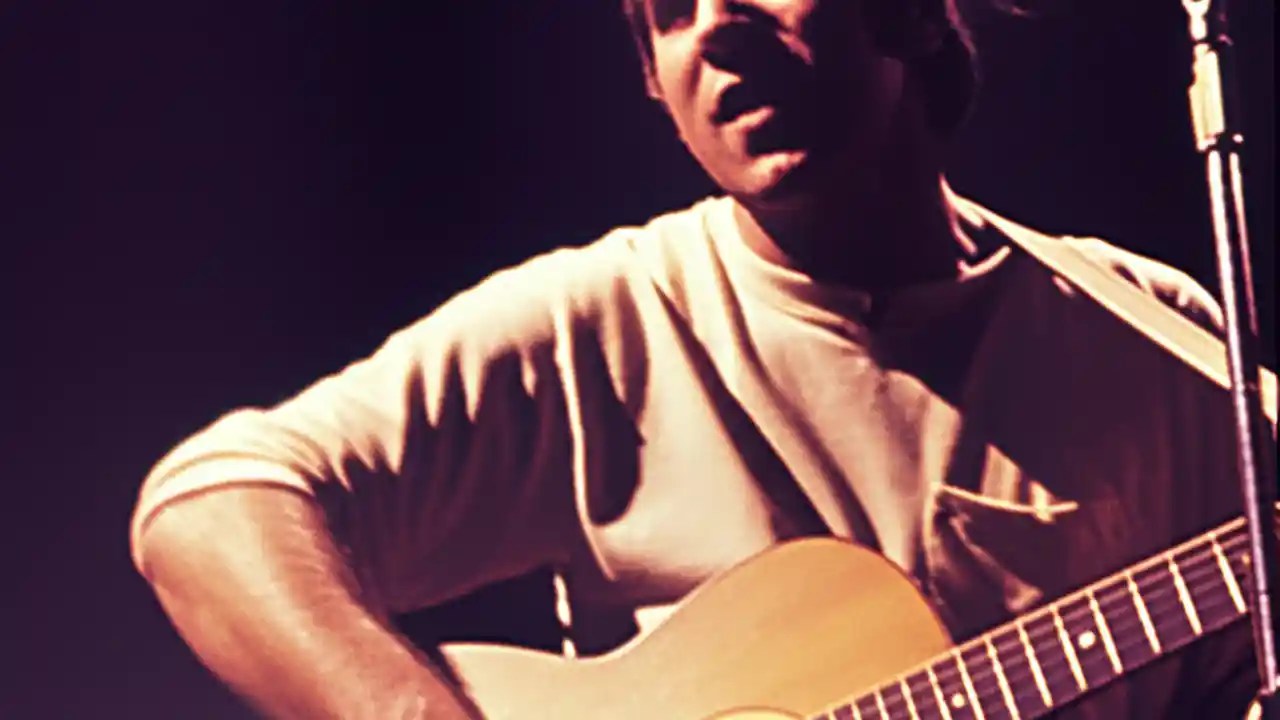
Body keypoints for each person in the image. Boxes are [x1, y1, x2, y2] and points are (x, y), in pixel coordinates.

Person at [129, 0, 1274, 717]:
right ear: (655, 92)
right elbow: (209, 510)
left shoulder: (1155, 335)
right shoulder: (610, 319)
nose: (715, 27)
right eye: (669, 11)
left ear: (917, 18)